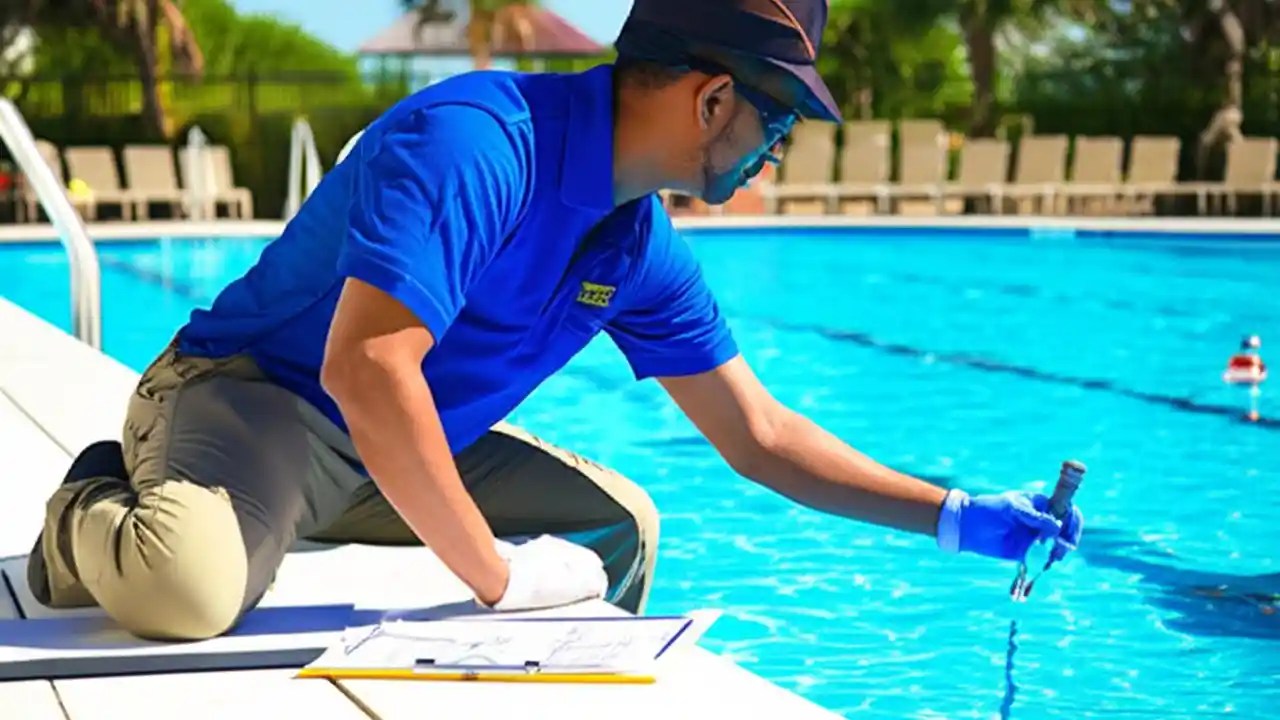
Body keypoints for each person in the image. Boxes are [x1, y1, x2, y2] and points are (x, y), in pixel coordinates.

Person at [28, 0, 1084, 641]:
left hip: (394, 456)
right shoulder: (477, 143)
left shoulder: (637, 245)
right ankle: (86, 513)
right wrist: (494, 579)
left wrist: (952, 515)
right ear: (713, 99)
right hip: (258, 402)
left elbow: (760, 440)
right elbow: (364, 370)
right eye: (779, 121)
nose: (778, 151)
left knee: (614, 530)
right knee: (183, 586)